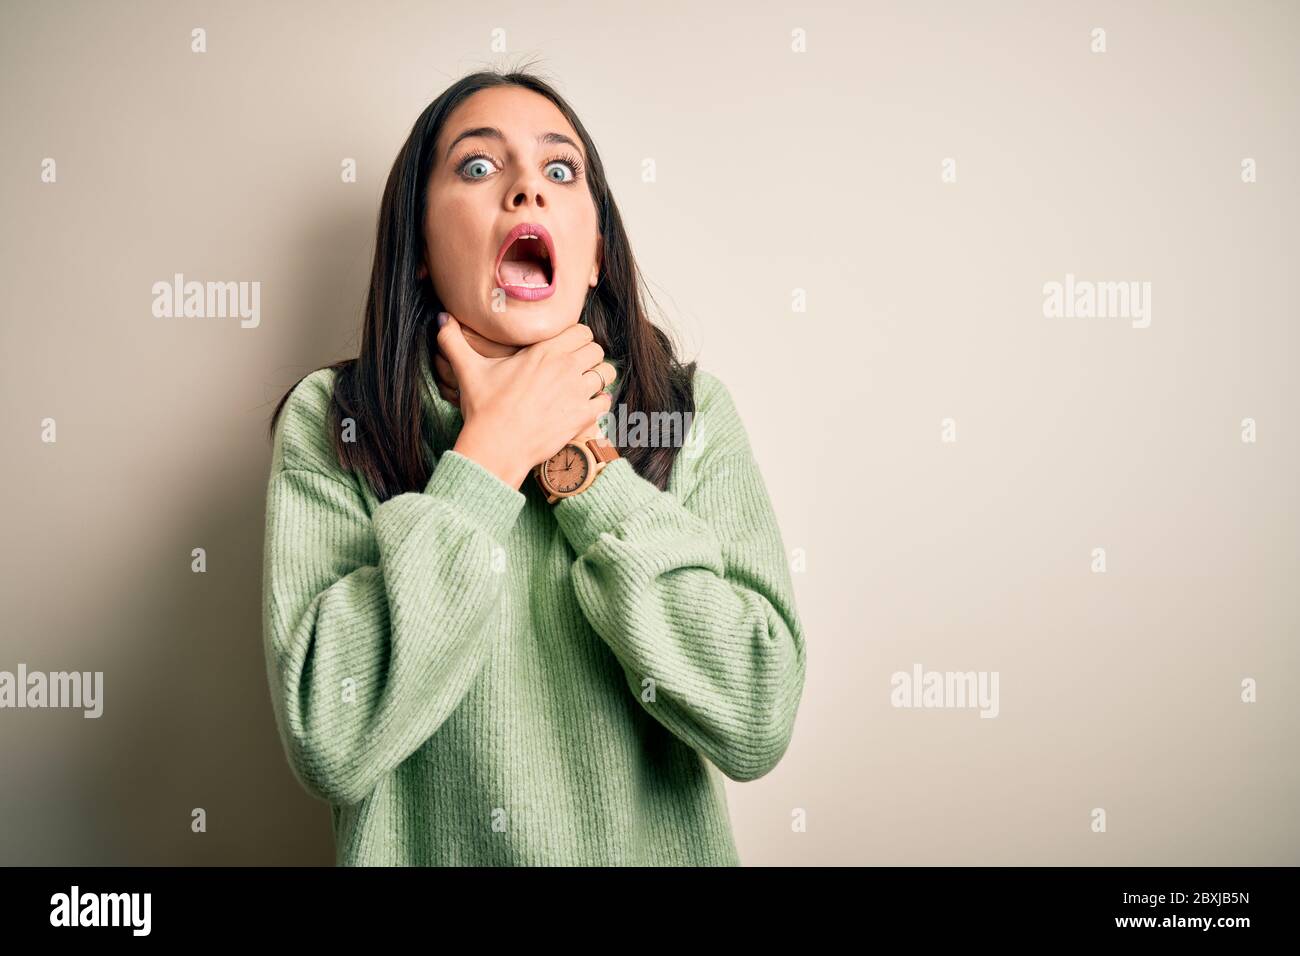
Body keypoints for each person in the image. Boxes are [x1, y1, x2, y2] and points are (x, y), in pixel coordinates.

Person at [261, 68, 807, 866]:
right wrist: (488, 455)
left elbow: (757, 716)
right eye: (478, 167)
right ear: (417, 250)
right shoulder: (335, 418)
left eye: (561, 170)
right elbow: (332, 741)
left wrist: (581, 468)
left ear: (592, 256)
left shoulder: (689, 414)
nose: (526, 190)